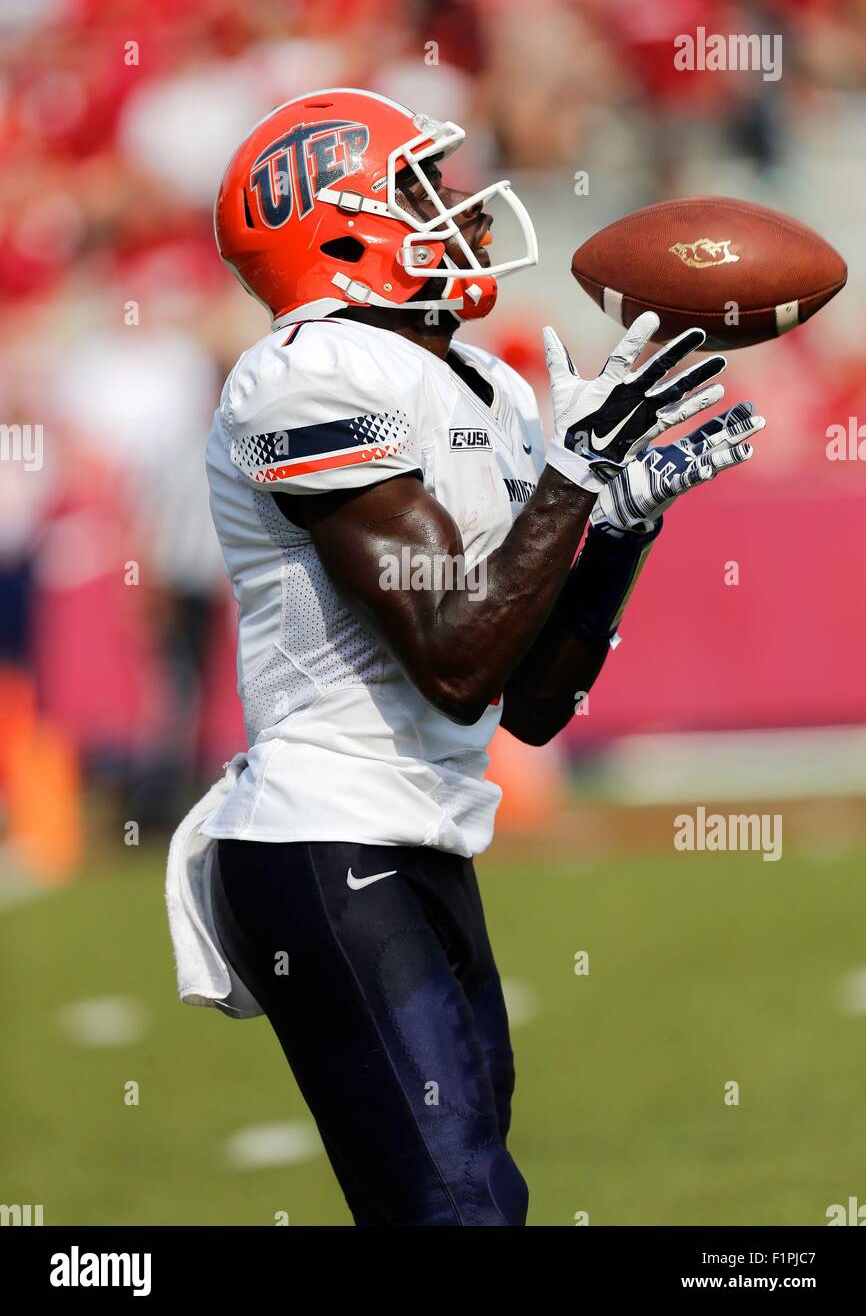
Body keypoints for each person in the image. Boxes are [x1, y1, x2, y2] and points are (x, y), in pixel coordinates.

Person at [190, 89, 764, 1226]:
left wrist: (615, 522)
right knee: (453, 1210)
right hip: (326, 837)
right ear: (331, 227)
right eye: (413, 187)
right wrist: (571, 479)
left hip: (423, 840)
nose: (454, 201)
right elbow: (452, 657)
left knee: (466, 1198)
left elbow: (533, 699)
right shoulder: (306, 373)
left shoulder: (488, 387)